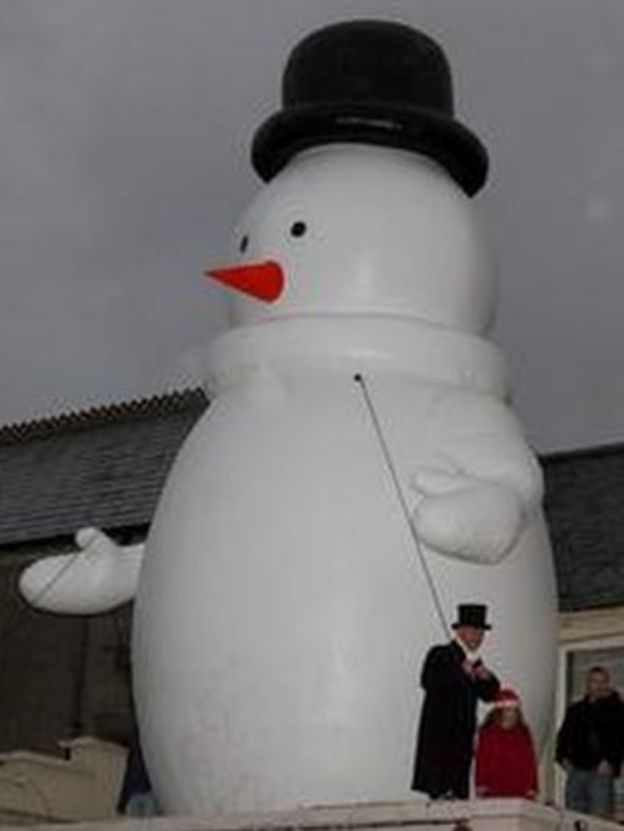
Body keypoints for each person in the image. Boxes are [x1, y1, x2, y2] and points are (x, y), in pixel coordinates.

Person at [412, 603, 500, 799]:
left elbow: (491, 694)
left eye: (481, 632)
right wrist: (459, 672)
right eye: (475, 631)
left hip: (462, 740)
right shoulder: (440, 653)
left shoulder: (476, 663)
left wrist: (486, 677)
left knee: (459, 794)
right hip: (440, 738)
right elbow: (428, 681)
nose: (479, 637)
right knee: (441, 792)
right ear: (461, 631)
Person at [556, 665, 624, 820]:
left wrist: (611, 761)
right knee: (573, 818)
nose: (598, 685)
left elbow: (621, 739)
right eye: (594, 681)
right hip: (576, 771)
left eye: (602, 682)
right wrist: (562, 757)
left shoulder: (617, 709)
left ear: (607, 683)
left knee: (598, 819)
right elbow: (564, 736)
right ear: (587, 684)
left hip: (601, 772)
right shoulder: (576, 709)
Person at [475, 688, 538, 800]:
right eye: (508, 710)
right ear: (500, 712)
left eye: (514, 710)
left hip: (519, 790)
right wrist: (481, 783)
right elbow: (482, 759)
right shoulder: (488, 733)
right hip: (493, 790)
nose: (511, 714)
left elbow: (530, 760)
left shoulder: (523, 733)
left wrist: (533, 786)